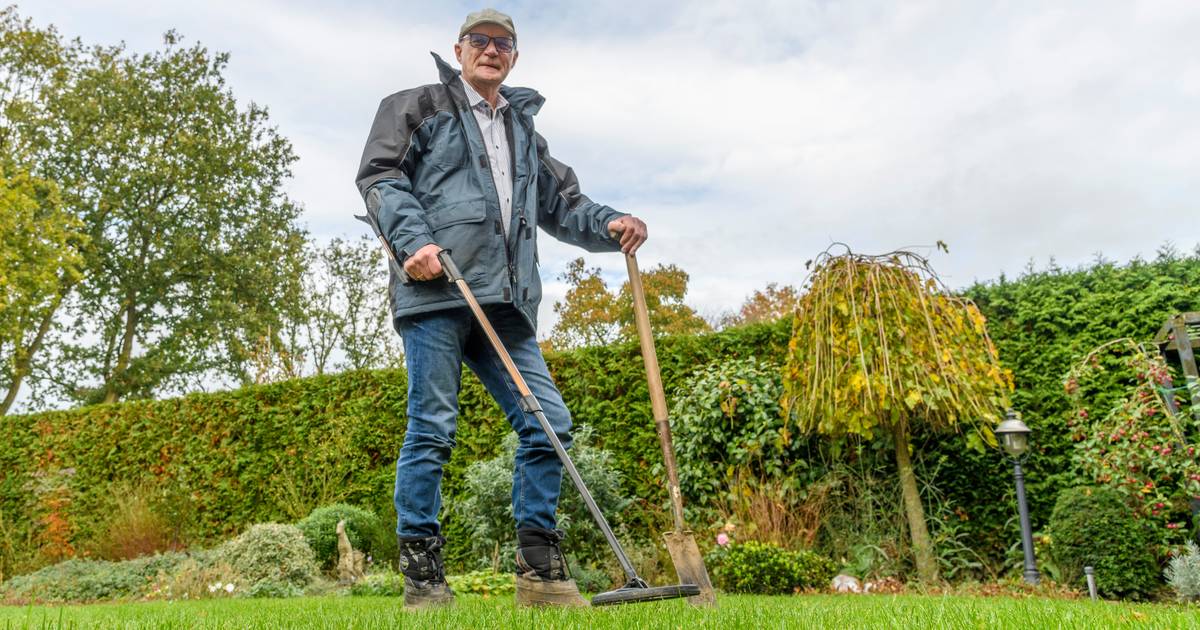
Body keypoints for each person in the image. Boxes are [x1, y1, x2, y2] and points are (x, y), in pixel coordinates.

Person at [354, 8, 647, 608]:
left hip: (506, 302)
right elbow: (381, 176)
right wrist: (414, 243)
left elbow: (563, 202)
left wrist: (609, 222)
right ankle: (423, 576)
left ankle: (538, 570)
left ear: (514, 56)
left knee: (549, 426)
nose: (492, 50)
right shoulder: (417, 107)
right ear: (459, 50)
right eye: (480, 41)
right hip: (437, 289)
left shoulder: (521, 131)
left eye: (504, 43)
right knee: (432, 428)